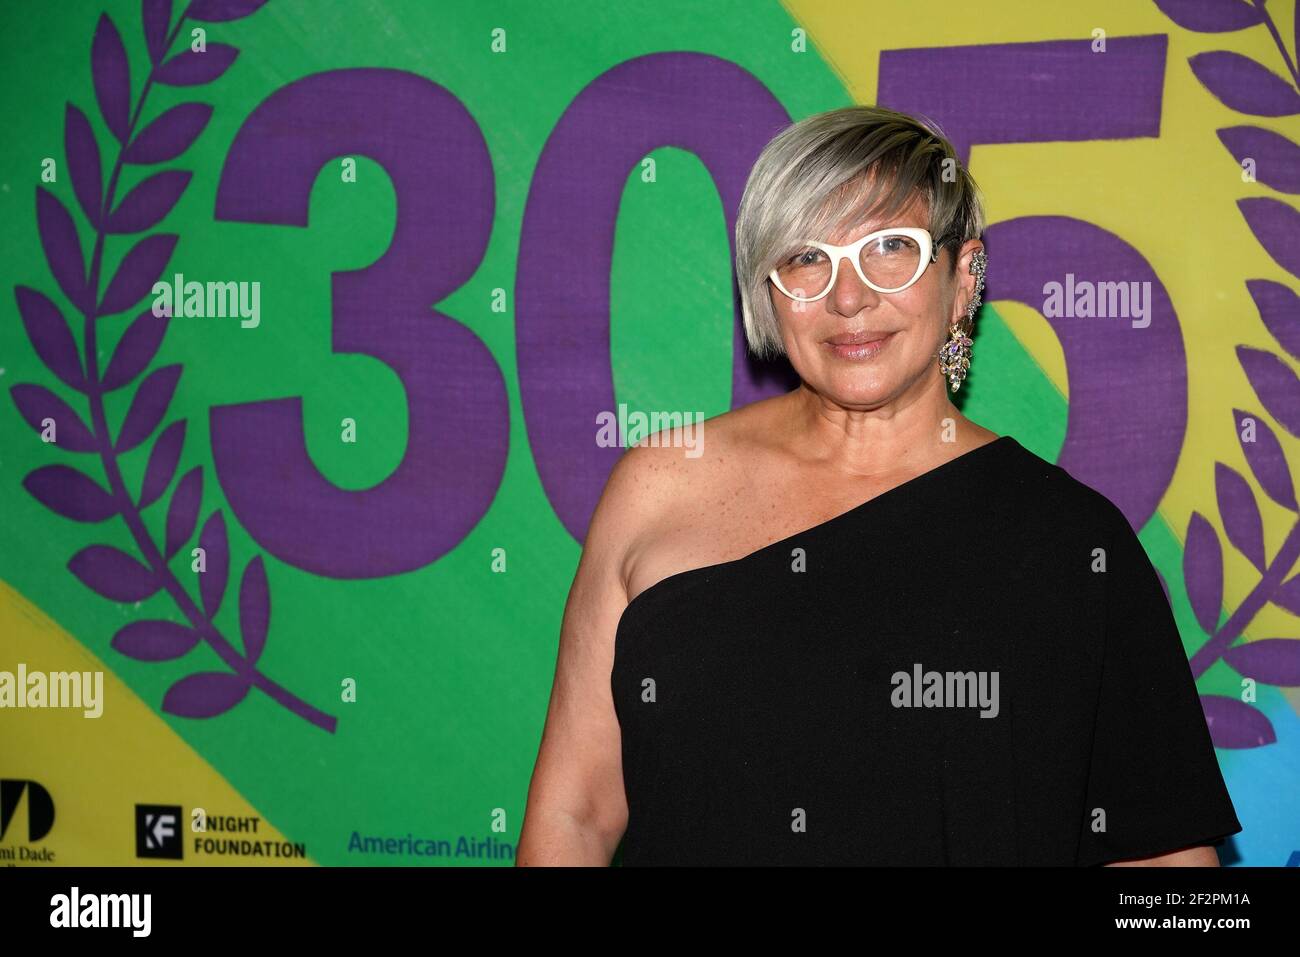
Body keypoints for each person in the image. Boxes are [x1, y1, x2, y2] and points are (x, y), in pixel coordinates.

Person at [517, 105, 1241, 866]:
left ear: (964, 279)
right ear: (766, 292)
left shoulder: (1074, 546)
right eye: (806, 257)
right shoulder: (657, 485)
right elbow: (575, 816)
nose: (848, 297)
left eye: (890, 247)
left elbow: (1166, 869)